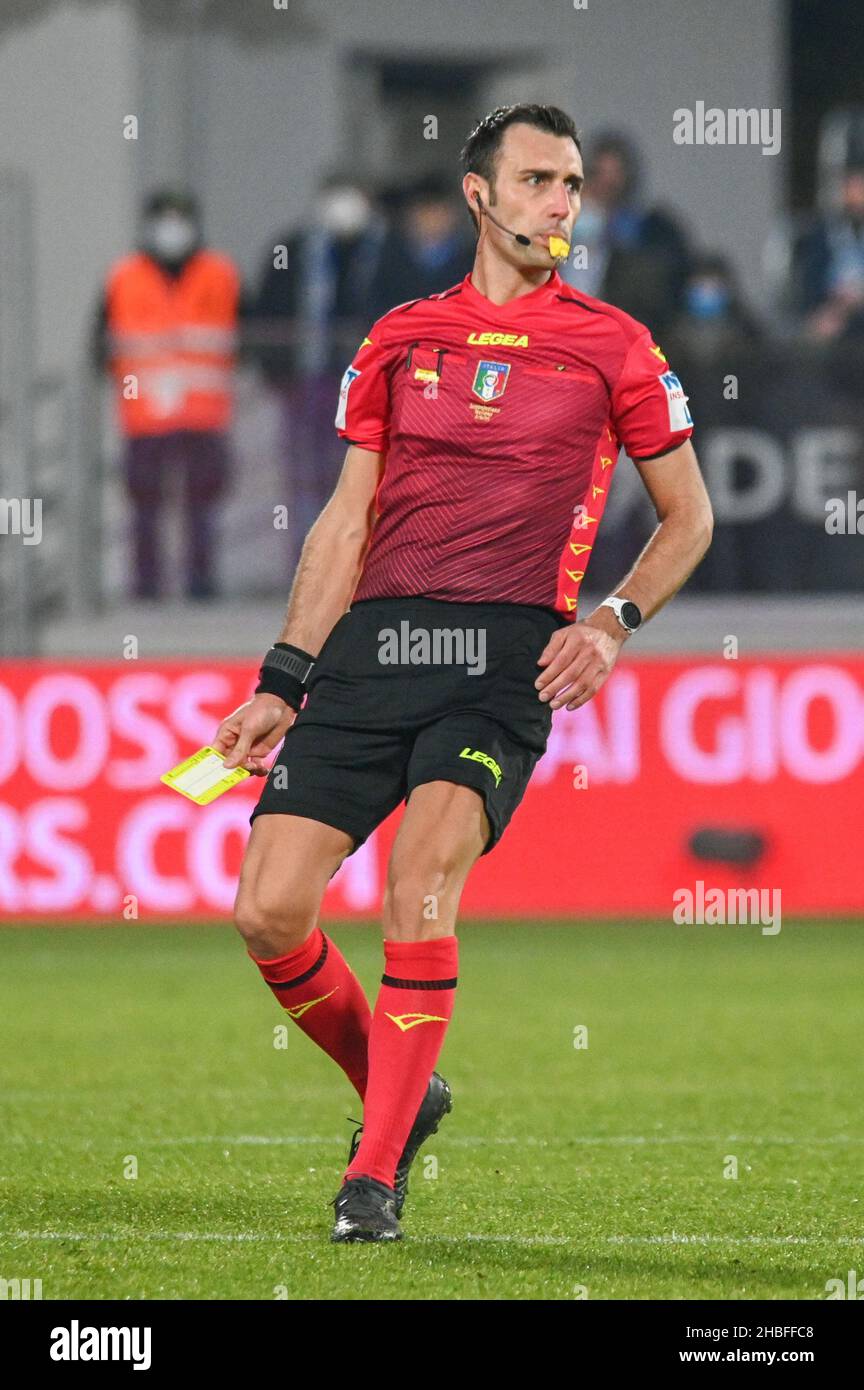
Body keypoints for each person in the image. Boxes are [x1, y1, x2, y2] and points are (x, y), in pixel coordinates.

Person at [213, 103, 713, 1243]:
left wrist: (617, 618)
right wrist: (282, 680)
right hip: (372, 650)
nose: (561, 203)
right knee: (267, 909)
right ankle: (404, 1091)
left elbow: (690, 517)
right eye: (538, 180)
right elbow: (344, 525)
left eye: (574, 184)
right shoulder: (397, 336)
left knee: (418, 884)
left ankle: (371, 1178)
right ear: (480, 196)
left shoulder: (615, 343)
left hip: (501, 662)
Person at [94, 190, 241, 600]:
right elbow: (100, 344)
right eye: (164, 218)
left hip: (203, 415)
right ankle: (146, 587)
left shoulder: (219, 274)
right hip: (145, 417)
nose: (172, 229)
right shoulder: (124, 276)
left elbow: (248, 336)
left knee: (202, 505)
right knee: (144, 505)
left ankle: (201, 583)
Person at [251, 175, 385, 579]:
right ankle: (310, 567)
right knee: (307, 476)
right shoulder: (294, 250)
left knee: (366, 479)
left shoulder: (382, 251)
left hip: (370, 387)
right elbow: (268, 312)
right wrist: (278, 372)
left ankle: (364, 569)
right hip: (310, 383)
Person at [561, 131, 691, 338]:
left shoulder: (652, 232)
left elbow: (656, 299)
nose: (605, 186)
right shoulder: (558, 227)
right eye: (599, 175)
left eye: (614, 179)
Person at [367, 172, 474, 320]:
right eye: (424, 213)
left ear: (453, 215)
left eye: (438, 212)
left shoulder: (474, 261)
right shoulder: (390, 261)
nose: (431, 221)